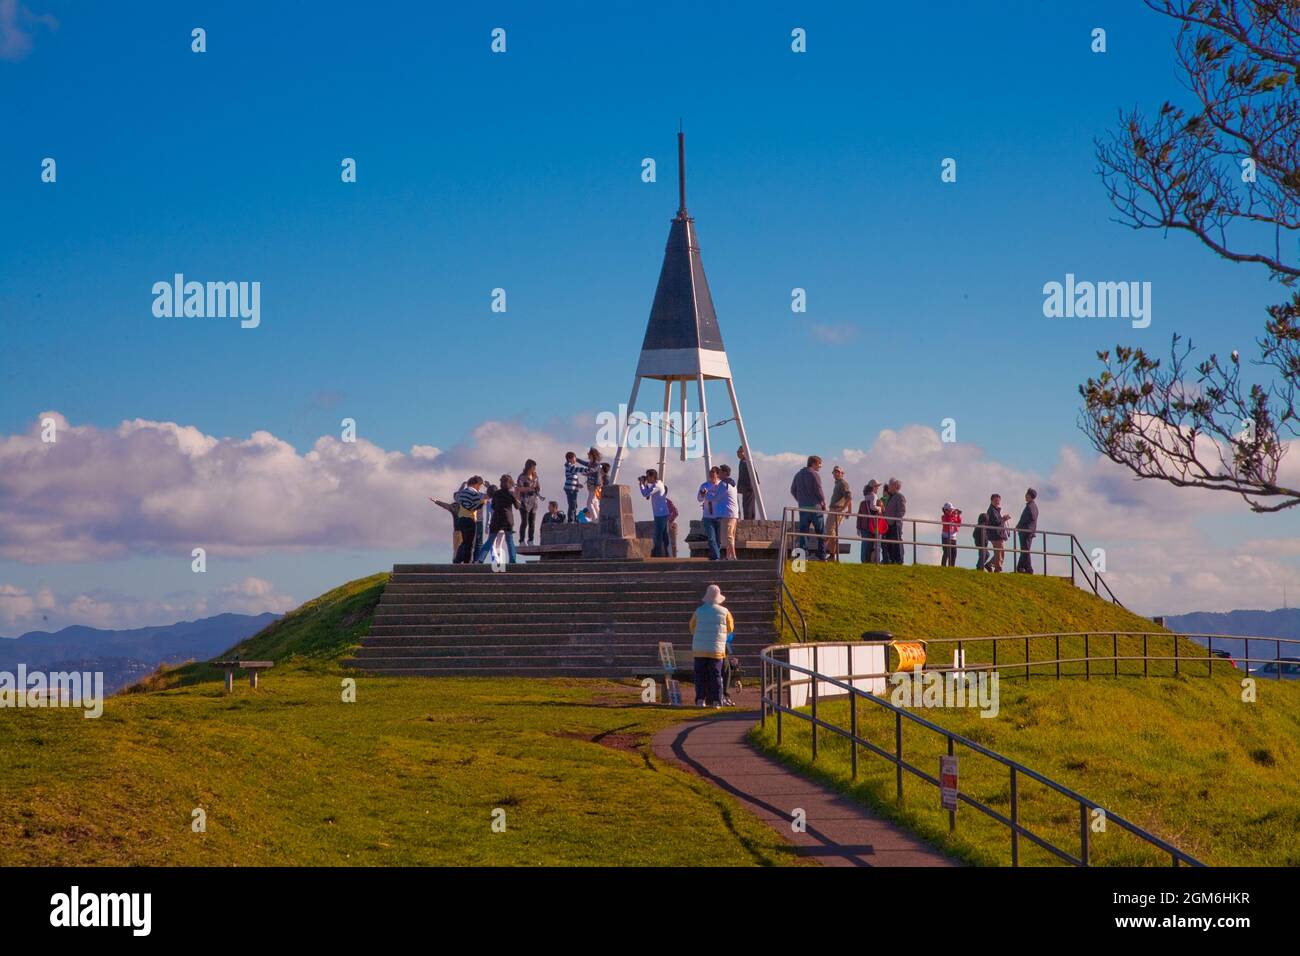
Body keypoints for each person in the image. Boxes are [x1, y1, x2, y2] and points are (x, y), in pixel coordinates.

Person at [690, 584, 734, 708]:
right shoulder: (725, 612)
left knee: (700, 675)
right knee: (716, 675)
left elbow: (691, 627)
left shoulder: (699, 611)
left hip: (699, 649)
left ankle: (700, 700)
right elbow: (730, 628)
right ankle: (716, 701)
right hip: (716, 650)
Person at [475, 474, 520, 564]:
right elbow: (517, 506)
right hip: (508, 519)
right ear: (510, 483)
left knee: (490, 541)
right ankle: (512, 560)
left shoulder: (496, 494)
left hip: (496, 519)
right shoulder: (511, 494)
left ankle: (480, 559)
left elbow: (493, 506)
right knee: (509, 540)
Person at [790, 455, 827, 560]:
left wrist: (800, 500)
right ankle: (822, 555)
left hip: (803, 508)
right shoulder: (814, 474)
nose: (820, 466)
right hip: (815, 507)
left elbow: (792, 490)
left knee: (803, 532)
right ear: (813, 463)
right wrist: (823, 503)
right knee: (820, 532)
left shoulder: (798, 475)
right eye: (819, 464)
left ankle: (803, 555)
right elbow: (819, 490)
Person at [452, 477, 489, 564]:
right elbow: (488, 496)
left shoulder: (461, 494)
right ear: (476, 484)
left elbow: (456, 497)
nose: (479, 488)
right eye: (479, 486)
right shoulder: (475, 494)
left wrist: (461, 487)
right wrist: (488, 488)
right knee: (471, 544)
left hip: (461, 519)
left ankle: (457, 559)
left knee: (465, 541)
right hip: (471, 519)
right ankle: (467, 562)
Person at [639, 469, 672, 557]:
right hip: (661, 513)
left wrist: (641, 484)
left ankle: (657, 555)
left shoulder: (657, 485)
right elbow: (648, 493)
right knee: (664, 535)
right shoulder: (656, 484)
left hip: (660, 514)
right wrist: (645, 484)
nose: (647, 478)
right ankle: (666, 554)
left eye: (648, 476)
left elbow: (645, 494)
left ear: (652, 476)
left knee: (658, 535)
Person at [713, 464, 740, 560]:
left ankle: (733, 556)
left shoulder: (723, 484)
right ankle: (729, 556)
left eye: (720, 471)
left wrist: (708, 494)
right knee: (731, 535)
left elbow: (717, 497)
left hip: (727, 513)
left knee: (728, 536)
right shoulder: (732, 483)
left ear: (724, 473)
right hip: (734, 513)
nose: (718, 473)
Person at [827, 465, 852, 562]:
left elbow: (849, 497)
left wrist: (843, 509)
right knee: (830, 531)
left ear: (842, 473)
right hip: (833, 510)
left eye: (838, 472)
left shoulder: (843, 483)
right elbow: (848, 497)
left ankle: (832, 555)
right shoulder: (838, 483)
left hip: (836, 510)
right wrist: (848, 509)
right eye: (835, 471)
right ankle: (832, 554)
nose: (836, 473)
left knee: (830, 531)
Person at [697, 467, 722, 560]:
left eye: (713, 474)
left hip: (719, 515)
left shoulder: (721, 485)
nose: (711, 476)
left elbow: (719, 497)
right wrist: (703, 494)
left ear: (718, 475)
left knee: (719, 540)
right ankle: (717, 557)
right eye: (710, 474)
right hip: (708, 515)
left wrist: (708, 495)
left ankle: (715, 556)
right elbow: (699, 499)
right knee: (711, 538)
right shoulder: (704, 485)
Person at [515, 459, 541, 545]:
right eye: (533, 467)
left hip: (534, 502)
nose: (534, 469)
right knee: (524, 521)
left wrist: (537, 489)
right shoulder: (522, 477)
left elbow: (538, 487)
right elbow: (519, 488)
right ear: (529, 467)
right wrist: (528, 489)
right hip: (524, 502)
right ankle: (521, 540)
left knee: (532, 522)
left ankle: (531, 540)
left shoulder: (535, 477)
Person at [856, 479, 882, 563]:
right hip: (870, 525)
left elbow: (859, 515)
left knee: (865, 544)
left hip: (863, 526)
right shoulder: (873, 496)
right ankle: (871, 561)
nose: (878, 488)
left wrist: (858, 527)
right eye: (877, 486)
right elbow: (872, 507)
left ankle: (864, 561)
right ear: (873, 487)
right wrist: (879, 508)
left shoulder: (863, 501)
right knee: (872, 544)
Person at [883, 478, 907, 564]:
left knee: (897, 542)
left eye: (890, 484)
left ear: (895, 486)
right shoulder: (890, 496)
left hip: (895, 524)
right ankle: (892, 559)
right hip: (888, 524)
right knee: (889, 542)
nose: (888, 486)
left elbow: (902, 511)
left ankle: (899, 560)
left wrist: (895, 521)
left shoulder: (899, 496)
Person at [985, 493, 1011, 572]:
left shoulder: (995, 510)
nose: (997, 502)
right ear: (992, 501)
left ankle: (989, 564)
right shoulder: (991, 511)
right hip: (995, 535)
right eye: (996, 500)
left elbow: (998, 522)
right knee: (999, 553)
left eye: (998, 501)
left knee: (1000, 552)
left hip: (999, 534)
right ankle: (997, 569)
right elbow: (996, 522)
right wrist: (1003, 519)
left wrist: (1003, 519)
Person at [1016, 488, 1039, 573]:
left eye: (1026, 494)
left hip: (1026, 532)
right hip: (1027, 531)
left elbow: (1029, 518)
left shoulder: (1030, 506)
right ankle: (1020, 567)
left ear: (1029, 496)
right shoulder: (1033, 506)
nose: (1025, 496)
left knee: (1025, 551)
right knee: (1024, 550)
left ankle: (1029, 569)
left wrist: (1020, 526)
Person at [563, 451, 586, 523]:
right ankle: (571, 520)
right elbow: (577, 469)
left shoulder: (571, 466)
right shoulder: (569, 466)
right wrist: (587, 470)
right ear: (570, 459)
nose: (575, 460)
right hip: (570, 489)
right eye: (574, 458)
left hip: (573, 488)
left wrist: (578, 484)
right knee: (572, 504)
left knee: (574, 505)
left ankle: (574, 518)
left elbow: (574, 477)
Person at [736, 445, 757, 520]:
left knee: (748, 504)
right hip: (746, 487)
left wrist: (752, 486)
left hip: (749, 487)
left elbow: (753, 473)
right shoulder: (742, 462)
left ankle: (748, 519)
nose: (738, 453)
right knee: (746, 504)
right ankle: (748, 518)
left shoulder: (746, 462)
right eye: (737, 452)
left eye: (739, 452)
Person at [583, 447, 604, 520]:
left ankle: (595, 519)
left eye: (589, 454)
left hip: (595, 486)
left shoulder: (596, 464)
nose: (588, 456)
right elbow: (585, 463)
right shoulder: (591, 463)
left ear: (592, 455)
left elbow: (594, 470)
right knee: (595, 503)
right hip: (592, 486)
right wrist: (577, 460)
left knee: (589, 504)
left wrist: (589, 472)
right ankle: (599, 518)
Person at [940, 502, 962, 567]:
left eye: (951, 510)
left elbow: (959, 524)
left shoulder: (954, 516)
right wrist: (952, 516)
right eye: (949, 510)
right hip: (946, 537)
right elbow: (947, 524)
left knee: (954, 553)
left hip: (953, 537)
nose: (951, 511)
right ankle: (943, 566)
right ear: (945, 510)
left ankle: (952, 566)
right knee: (946, 552)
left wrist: (958, 515)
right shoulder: (944, 517)